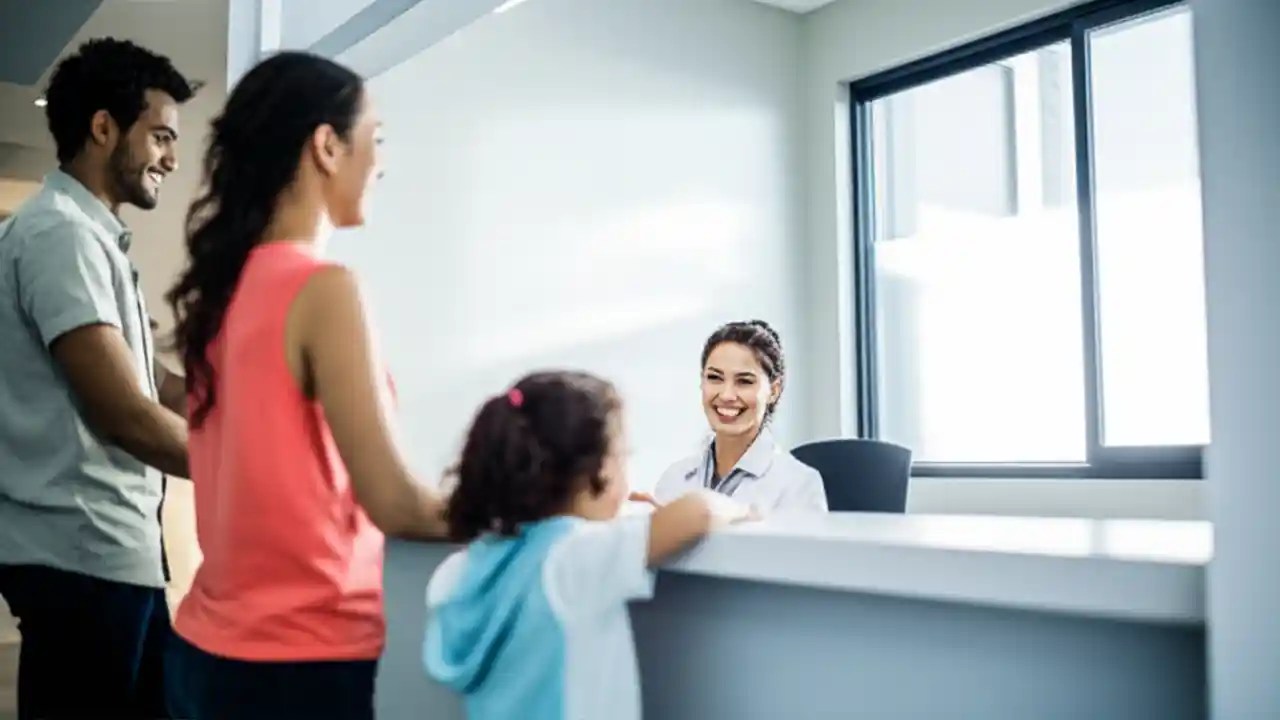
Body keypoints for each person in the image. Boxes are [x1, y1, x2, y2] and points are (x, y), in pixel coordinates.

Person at [162, 52, 446, 719]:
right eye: (375, 139)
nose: (379, 162)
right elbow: (396, 503)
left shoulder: (219, 296)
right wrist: (543, 504)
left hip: (205, 653)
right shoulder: (325, 291)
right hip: (299, 668)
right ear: (326, 145)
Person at [0, 38, 194, 719]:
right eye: (161, 136)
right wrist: (253, 471)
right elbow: (124, 413)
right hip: (79, 553)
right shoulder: (59, 235)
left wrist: (244, 401)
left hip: (109, 554)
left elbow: (155, 385)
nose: (172, 157)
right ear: (104, 127)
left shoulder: (91, 236)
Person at [425, 371, 752, 720]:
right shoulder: (573, 560)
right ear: (596, 472)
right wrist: (742, 507)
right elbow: (698, 511)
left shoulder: (460, 570)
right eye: (623, 456)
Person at [653, 320, 828, 513]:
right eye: (715, 378)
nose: (727, 395)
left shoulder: (799, 486)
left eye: (744, 381)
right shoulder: (674, 480)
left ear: (774, 391)